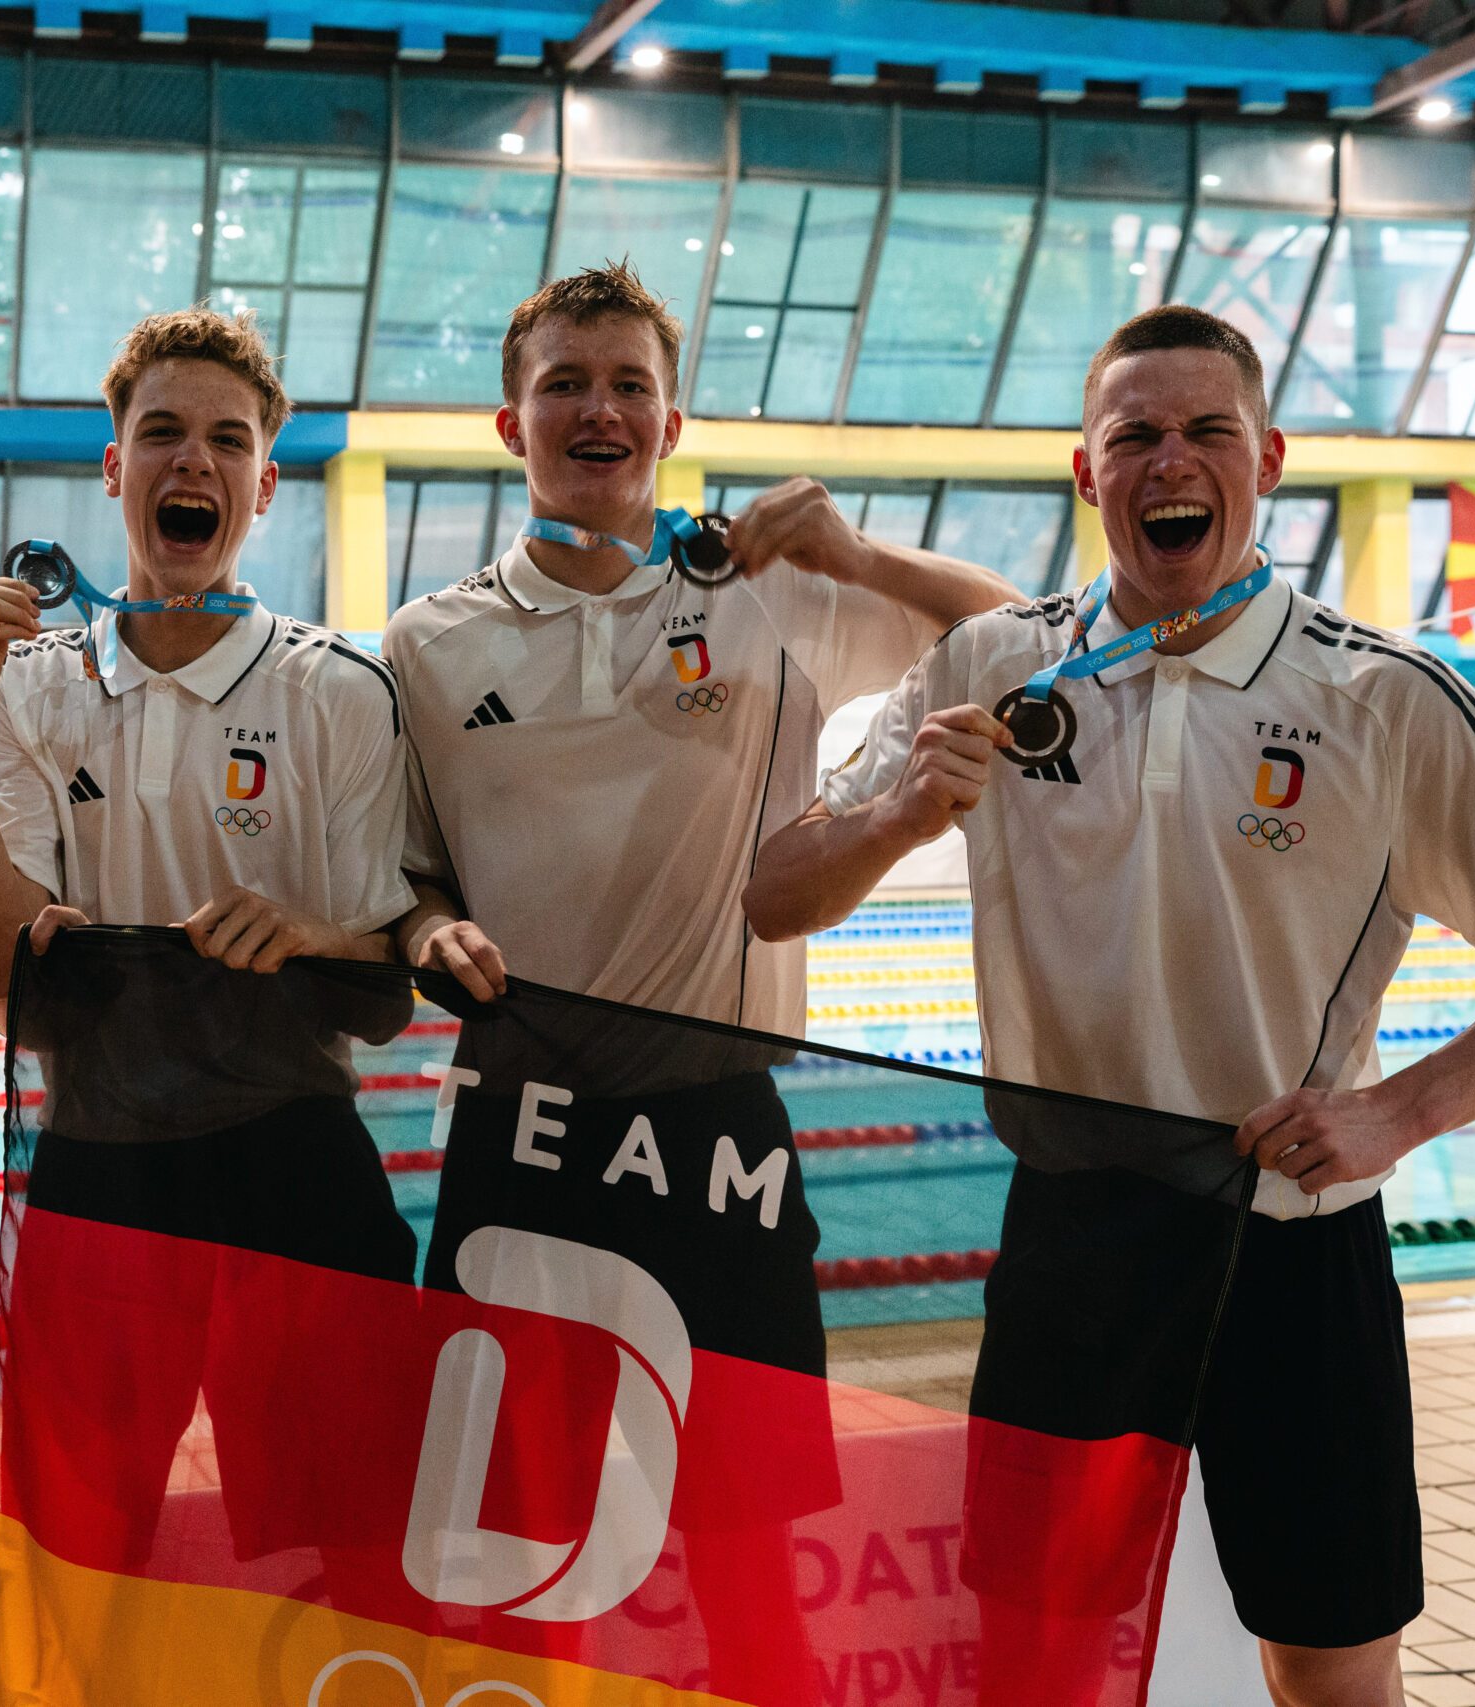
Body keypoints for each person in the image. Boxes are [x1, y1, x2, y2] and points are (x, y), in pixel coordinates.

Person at [744, 304, 1475, 1707]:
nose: (1171, 460)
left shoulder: (1383, 696)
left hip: (1292, 1257)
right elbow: (776, 894)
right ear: (1087, 470)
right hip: (1075, 1242)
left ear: (1268, 456)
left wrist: (1400, 1111)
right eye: (1135, 436)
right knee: (1032, 1657)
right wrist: (899, 811)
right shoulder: (994, 664)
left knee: (1330, 1661)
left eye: (1206, 430)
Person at [378, 261, 1017, 1697]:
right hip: (519, 1125)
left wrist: (853, 556)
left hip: (717, 1123)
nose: (597, 409)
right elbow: (407, 870)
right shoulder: (428, 641)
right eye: (565, 383)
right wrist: (425, 929)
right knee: (500, 1552)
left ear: (672, 423)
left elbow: (1014, 627)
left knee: (747, 1546)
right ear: (509, 420)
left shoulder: (770, 595)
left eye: (628, 386)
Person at [0, 306, 415, 1575]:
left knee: (341, 1568)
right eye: (162, 434)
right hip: (99, 1175)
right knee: (72, 1565)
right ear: (113, 467)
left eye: (225, 440)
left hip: (296, 1175)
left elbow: (382, 996)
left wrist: (310, 935)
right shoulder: (27, 688)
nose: (192, 462)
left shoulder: (337, 692)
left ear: (262, 481)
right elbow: (3, 986)